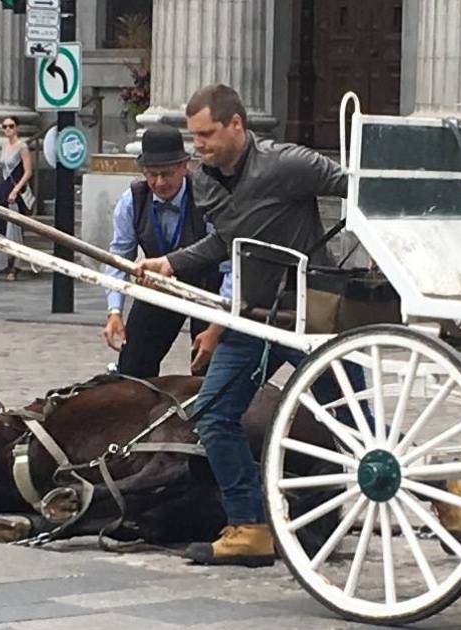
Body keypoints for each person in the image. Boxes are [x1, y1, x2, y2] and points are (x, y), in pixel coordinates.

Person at [133, 84, 369, 567]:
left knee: (358, 423)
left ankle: (440, 483)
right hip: (251, 317)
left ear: (236, 125)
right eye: (194, 136)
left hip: (307, 315)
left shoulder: (286, 165)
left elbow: (360, 185)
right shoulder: (202, 182)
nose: (198, 145)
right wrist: (170, 264)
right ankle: (249, 526)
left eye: (207, 134)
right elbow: (227, 242)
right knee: (215, 414)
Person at [102, 126, 225, 378]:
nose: (159, 182)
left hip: (209, 289)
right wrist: (114, 311)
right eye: (151, 174)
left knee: (209, 372)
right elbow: (119, 257)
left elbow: (230, 264)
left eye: (167, 173)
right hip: (160, 288)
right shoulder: (131, 201)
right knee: (132, 368)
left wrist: (217, 327)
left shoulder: (208, 198)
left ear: (184, 166)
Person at [0, 116, 33, 281]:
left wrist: (16, 190)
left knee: (14, 229)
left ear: (17, 127)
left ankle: (14, 266)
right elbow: (0, 162)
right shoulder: (5, 145)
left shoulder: (22, 146)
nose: (8, 129)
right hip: (3, 187)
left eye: (11, 126)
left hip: (14, 189)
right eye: (5, 126)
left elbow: (28, 172)